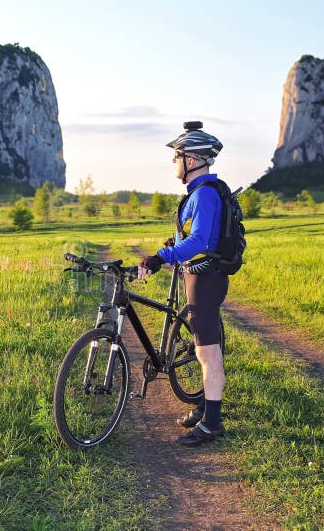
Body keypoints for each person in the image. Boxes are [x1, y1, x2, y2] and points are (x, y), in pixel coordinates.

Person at [138, 121, 228, 447]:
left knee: (207, 353)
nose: (174, 162)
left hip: (205, 279)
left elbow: (201, 240)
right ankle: (205, 407)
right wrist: (174, 243)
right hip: (196, 277)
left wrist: (161, 256)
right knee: (203, 346)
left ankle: (213, 424)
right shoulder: (197, 195)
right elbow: (192, 235)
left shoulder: (204, 194)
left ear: (191, 160)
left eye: (177, 156)